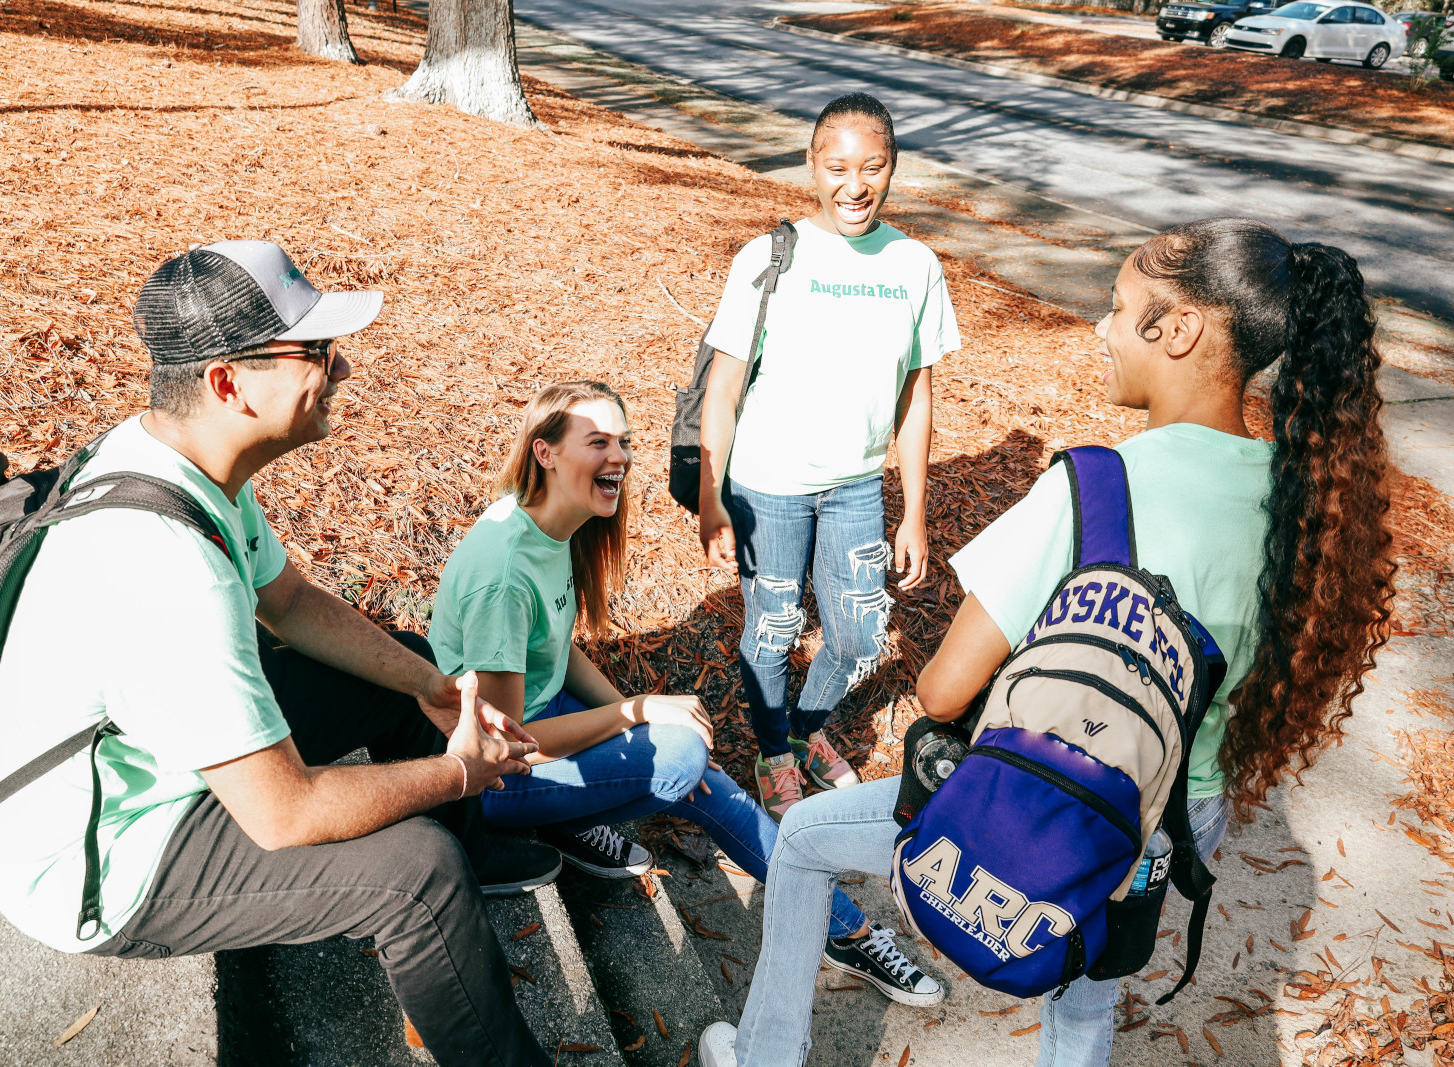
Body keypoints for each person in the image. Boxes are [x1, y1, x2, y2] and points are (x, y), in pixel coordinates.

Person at [696, 216, 1397, 1067]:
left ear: (1180, 329)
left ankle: (765, 1054)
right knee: (1082, 993)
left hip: (1040, 793)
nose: (1101, 327)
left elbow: (946, 692)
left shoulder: (1098, 489)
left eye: (1119, 306)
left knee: (803, 837)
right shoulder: (1304, 505)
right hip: (1178, 813)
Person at [0, 241, 565, 1067]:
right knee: (416, 872)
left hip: (145, 762)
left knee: (405, 668)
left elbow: (285, 600)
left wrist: (437, 689)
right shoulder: (172, 572)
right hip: (96, 860)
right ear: (226, 382)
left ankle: (477, 859)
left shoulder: (178, 460)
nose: (343, 368)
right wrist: (463, 769)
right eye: (316, 352)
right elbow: (285, 813)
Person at [429, 380, 942, 1006]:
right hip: (493, 781)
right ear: (546, 452)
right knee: (680, 759)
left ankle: (846, 930)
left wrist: (636, 727)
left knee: (692, 769)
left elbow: (554, 652)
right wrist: (636, 715)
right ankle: (845, 929)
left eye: (624, 442)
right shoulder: (504, 569)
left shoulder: (546, 523)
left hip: (541, 726)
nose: (618, 457)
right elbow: (502, 747)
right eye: (597, 442)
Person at [698, 92, 960, 821]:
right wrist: (714, 495)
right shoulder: (768, 256)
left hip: (853, 489)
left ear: (893, 170)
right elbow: (722, 387)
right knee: (773, 629)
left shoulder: (914, 264)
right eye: (837, 166)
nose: (855, 184)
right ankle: (775, 749)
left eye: (872, 166)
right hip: (768, 486)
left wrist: (915, 513)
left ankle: (808, 731)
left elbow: (916, 397)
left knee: (858, 633)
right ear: (811, 166)